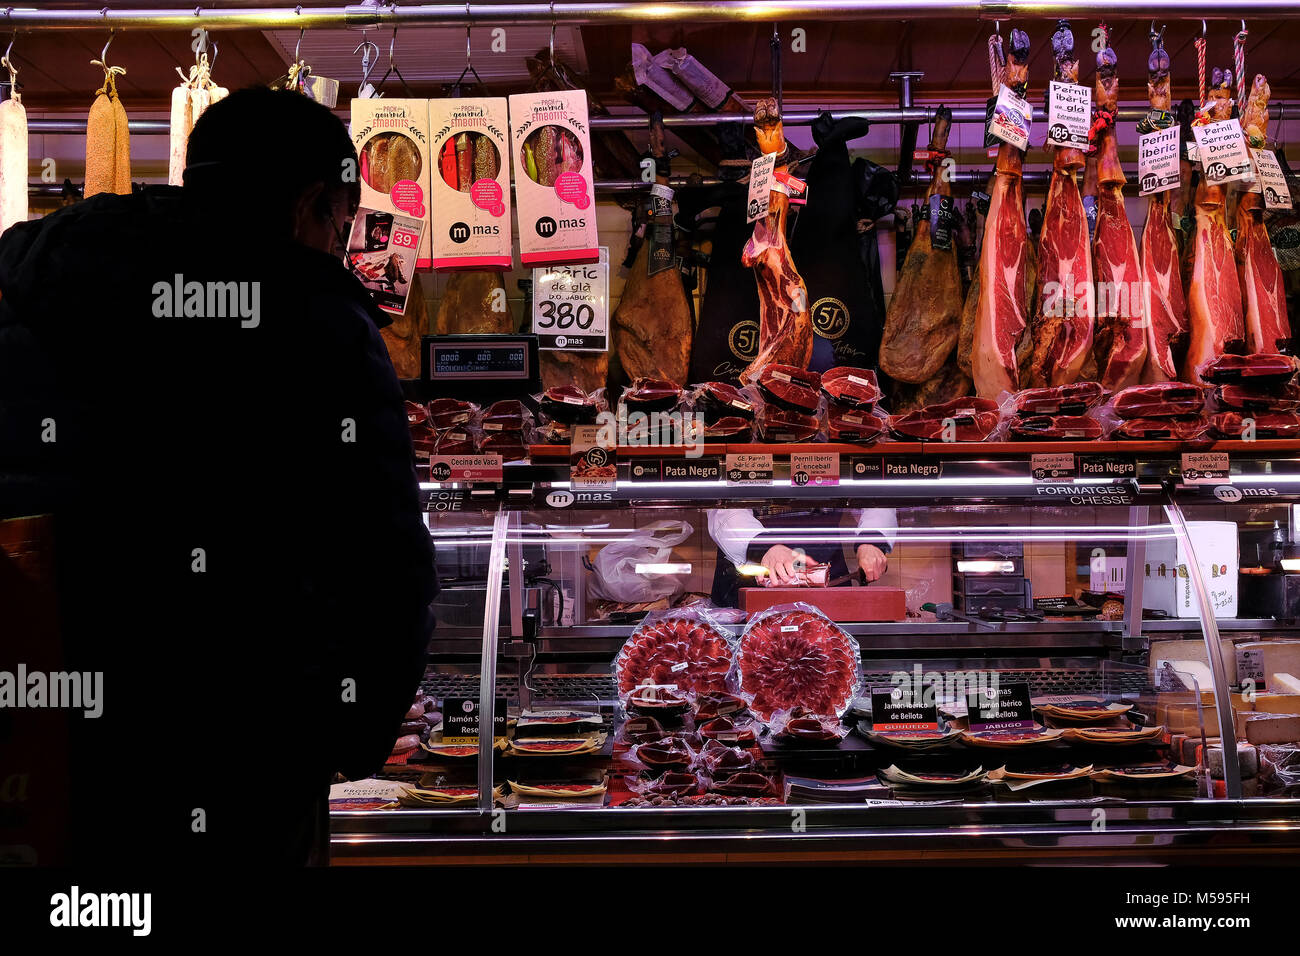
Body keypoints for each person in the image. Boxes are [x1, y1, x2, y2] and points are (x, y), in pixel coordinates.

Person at [0, 88, 436, 867]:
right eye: (340, 223)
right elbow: (382, 557)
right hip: (245, 739)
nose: (338, 244)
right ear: (310, 205)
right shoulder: (317, 322)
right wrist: (360, 732)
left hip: (57, 730)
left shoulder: (34, 289)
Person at [708, 506, 896, 607]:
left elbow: (873, 488)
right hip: (750, 579)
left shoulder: (832, 442)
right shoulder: (740, 443)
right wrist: (763, 546)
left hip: (825, 572)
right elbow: (725, 508)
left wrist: (871, 540)